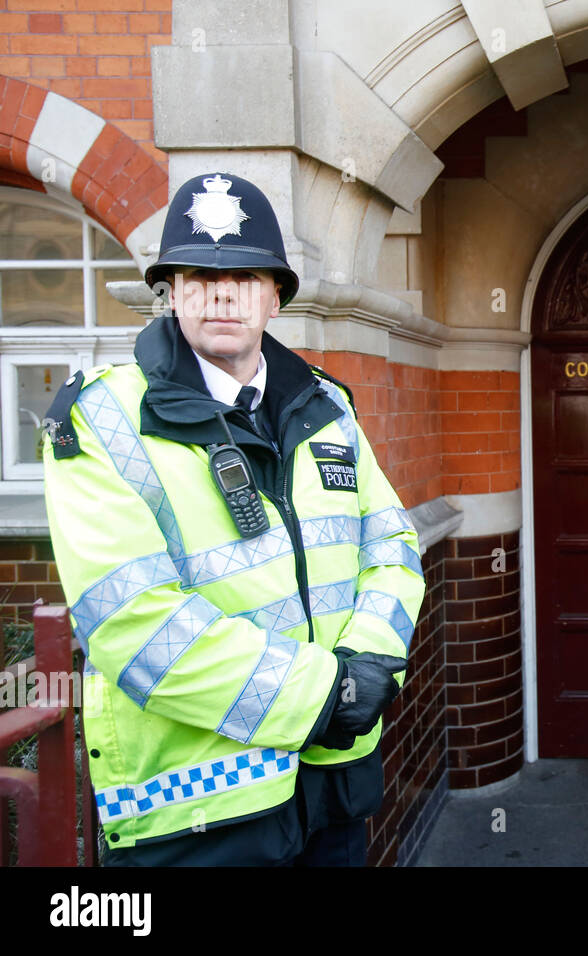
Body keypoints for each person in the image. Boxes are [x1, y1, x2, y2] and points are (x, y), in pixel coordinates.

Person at [42, 172, 425, 865]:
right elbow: (133, 620)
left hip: (336, 789)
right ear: (171, 292)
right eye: (197, 275)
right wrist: (325, 694)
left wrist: (370, 661)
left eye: (246, 276)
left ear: (275, 296)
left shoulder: (327, 407)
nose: (222, 294)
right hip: (201, 817)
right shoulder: (100, 418)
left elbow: (391, 542)